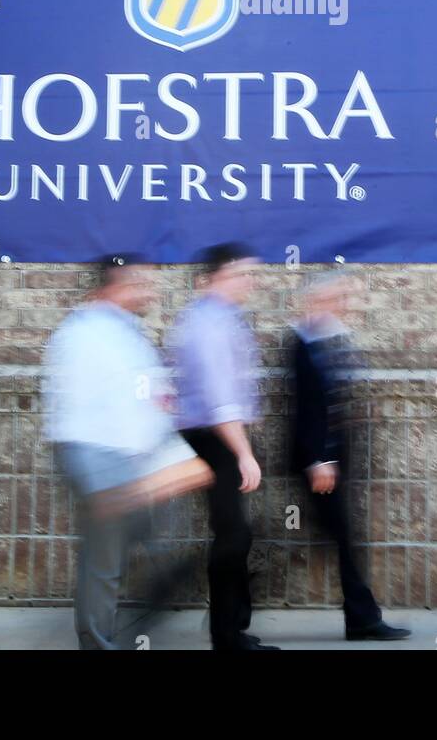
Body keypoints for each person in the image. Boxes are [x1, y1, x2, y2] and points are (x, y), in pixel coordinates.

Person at [43, 253, 212, 651]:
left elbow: (148, 402)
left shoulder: (125, 332)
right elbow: (76, 414)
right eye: (140, 282)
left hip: (129, 463)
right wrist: (105, 481)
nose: (148, 290)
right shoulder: (83, 334)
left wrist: (172, 461)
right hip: (100, 459)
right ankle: (98, 641)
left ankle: (120, 625)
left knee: (137, 550)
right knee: (105, 561)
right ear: (114, 286)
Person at [168, 242, 278, 652]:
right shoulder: (210, 323)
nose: (249, 281)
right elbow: (218, 399)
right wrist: (244, 453)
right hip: (214, 436)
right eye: (239, 274)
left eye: (251, 274)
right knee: (232, 535)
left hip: (217, 433)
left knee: (235, 533)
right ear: (212, 278)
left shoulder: (219, 318)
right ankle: (226, 636)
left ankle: (232, 627)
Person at [290, 273, 410, 642]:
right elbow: (310, 407)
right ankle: (362, 619)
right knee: (338, 537)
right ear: (316, 300)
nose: (342, 304)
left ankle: (362, 618)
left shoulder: (330, 337)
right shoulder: (303, 343)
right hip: (319, 462)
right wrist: (318, 459)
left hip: (334, 460)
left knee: (336, 535)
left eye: (343, 297)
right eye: (335, 297)